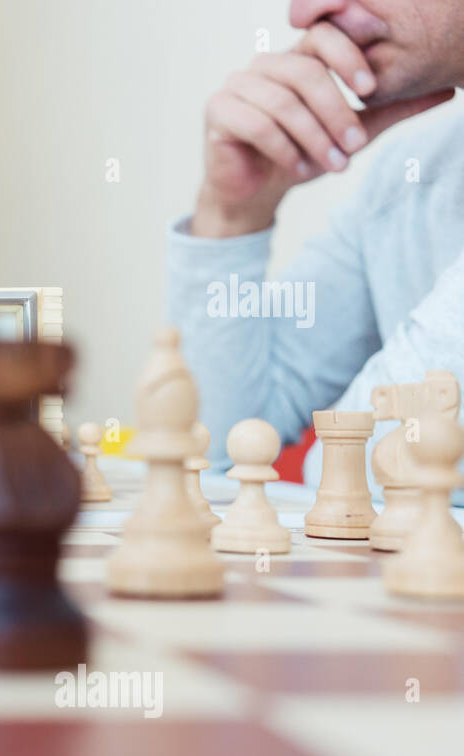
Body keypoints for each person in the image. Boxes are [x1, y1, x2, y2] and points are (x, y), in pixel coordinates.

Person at [167, 0, 461, 481]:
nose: (303, 12)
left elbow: (341, 477)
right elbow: (215, 451)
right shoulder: (408, 178)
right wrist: (232, 217)